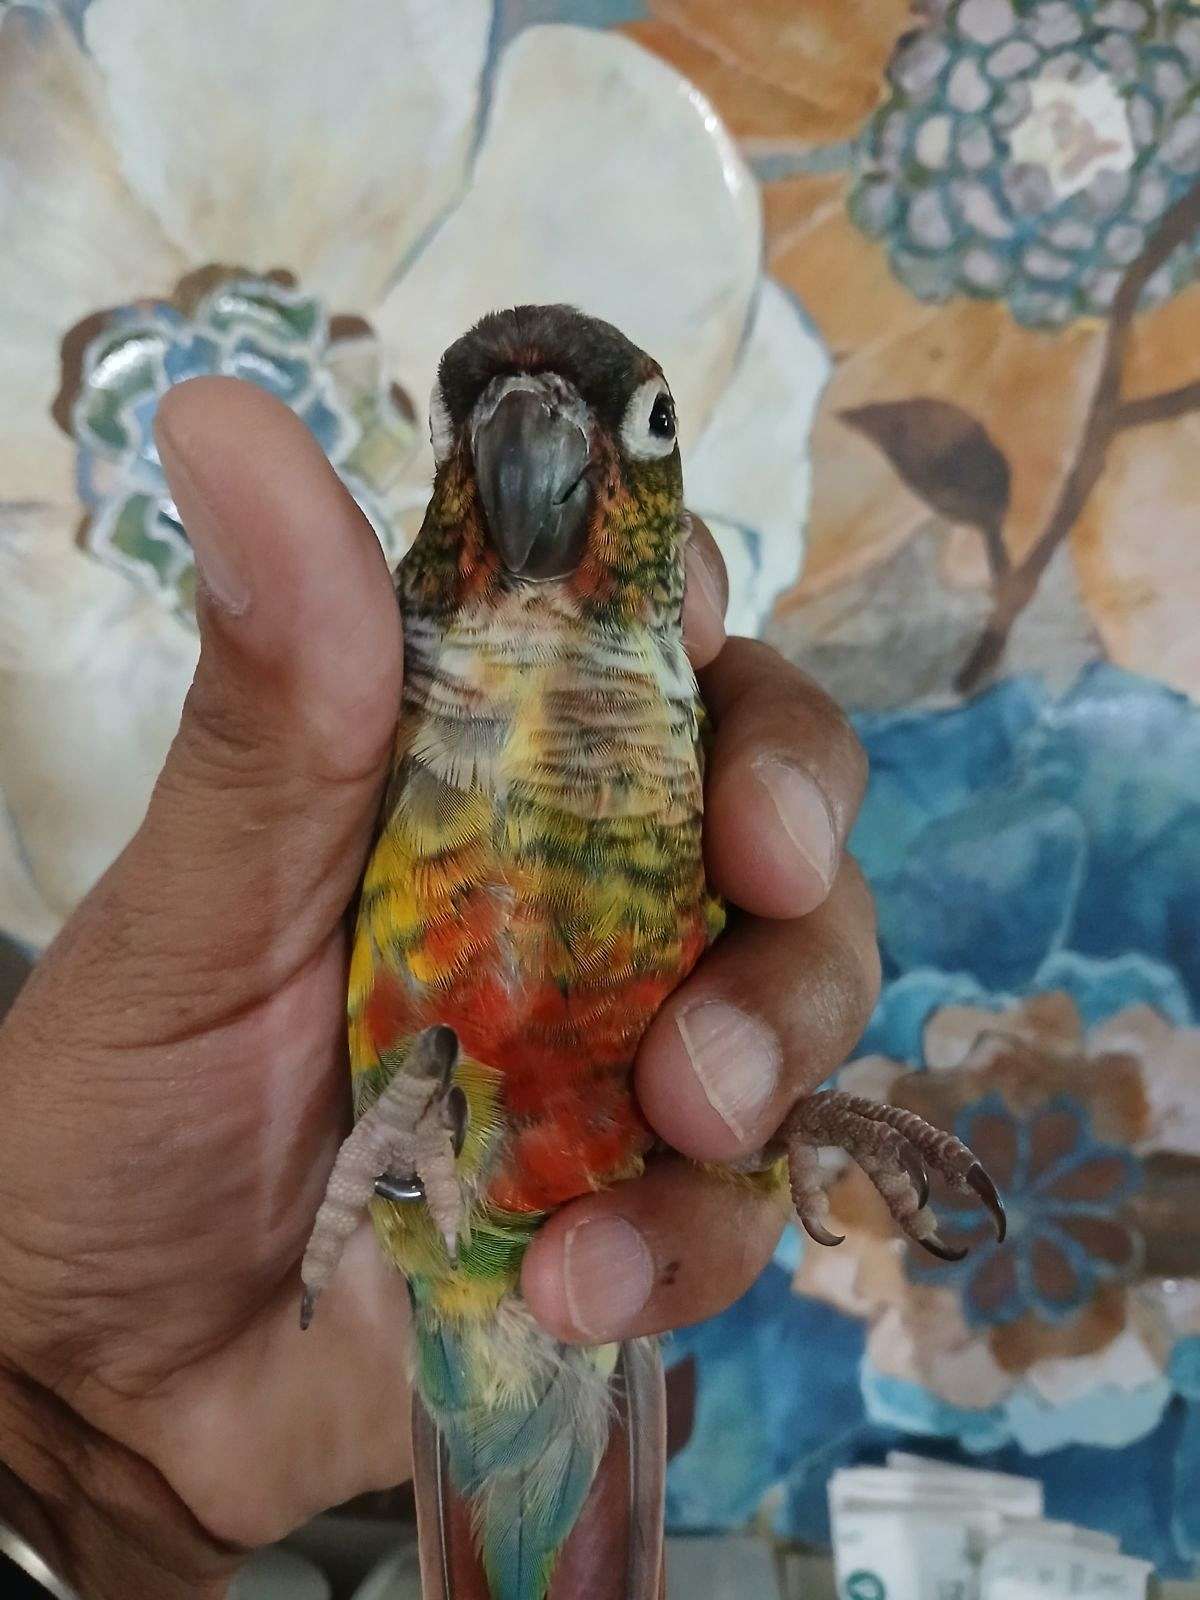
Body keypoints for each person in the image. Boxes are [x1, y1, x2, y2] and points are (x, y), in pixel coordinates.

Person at [0, 379, 881, 1600]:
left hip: (549, 1229)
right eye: (472, 433)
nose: (534, 455)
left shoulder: (675, 709)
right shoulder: (398, 686)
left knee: (722, 1050)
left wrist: (778, 1117)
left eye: (640, 429)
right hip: (439, 1251)